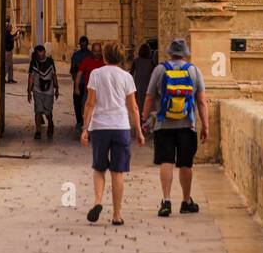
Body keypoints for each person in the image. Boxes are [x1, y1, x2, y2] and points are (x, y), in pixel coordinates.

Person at [142, 36, 208, 217]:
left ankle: (166, 200)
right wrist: (206, 126)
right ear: (185, 53)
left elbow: (149, 97)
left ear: (170, 53)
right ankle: (186, 201)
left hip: (164, 125)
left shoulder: (160, 70)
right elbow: (202, 102)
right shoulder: (194, 71)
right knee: (185, 164)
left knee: (166, 162)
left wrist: (144, 118)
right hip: (188, 125)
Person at [81, 41, 144, 225]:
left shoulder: (96, 74)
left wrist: (85, 128)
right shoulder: (126, 77)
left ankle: (98, 201)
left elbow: (90, 103)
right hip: (121, 126)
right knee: (118, 172)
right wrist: (139, 131)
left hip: (100, 127)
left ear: (104, 57)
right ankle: (117, 215)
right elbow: (133, 107)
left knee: (99, 168)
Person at [27, 44, 59, 139]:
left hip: (49, 91)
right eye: (39, 55)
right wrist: (29, 92)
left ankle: (50, 123)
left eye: (43, 55)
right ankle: (38, 131)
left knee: (48, 112)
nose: (41, 57)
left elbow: (54, 75)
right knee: (38, 111)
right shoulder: (33, 63)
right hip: (37, 90)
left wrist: (57, 88)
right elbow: (31, 78)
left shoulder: (50, 61)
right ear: (36, 55)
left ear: (45, 53)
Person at [69, 35, 91, 134]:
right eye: (82, 45)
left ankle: (87, 123)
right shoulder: (75, 55)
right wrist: (76, 67)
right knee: (77, 104)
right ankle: (79, 122)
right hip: (78, 84)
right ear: (79, 45)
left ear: (87, 45)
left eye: (85, 45)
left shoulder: (91, 55)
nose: (83, 47)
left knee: (87, 104)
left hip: (88, 84)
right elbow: (71, 70)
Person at [74, 39, 104, 109]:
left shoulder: (105, 61)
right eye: (95, 51)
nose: (97, 53)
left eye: (99, 51)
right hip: (88, 93)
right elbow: (79, 74)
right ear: (92, 51)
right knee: (86, 113)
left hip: (102, 94)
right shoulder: (86, 61)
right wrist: (76, 87)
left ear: (101, 51)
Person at [130, 42, 156, 113]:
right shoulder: (151, 62)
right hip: (148, 84)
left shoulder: (136, 61)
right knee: (147, 102)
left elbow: (131, 73)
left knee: (139, 103)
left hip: (138, 84)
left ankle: (140, 120)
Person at [4, 19, 19, 83]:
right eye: (11, 27)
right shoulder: (6, 34)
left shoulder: (8, 33)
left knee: (10, 66)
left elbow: (12, 36)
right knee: (7, 66)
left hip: (9, 51)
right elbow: (13, 38)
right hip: (7, 52)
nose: (12, 28)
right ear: (8, 28)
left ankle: (10, 79)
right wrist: (17, 36)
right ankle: (3, 78)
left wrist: (16, 32)